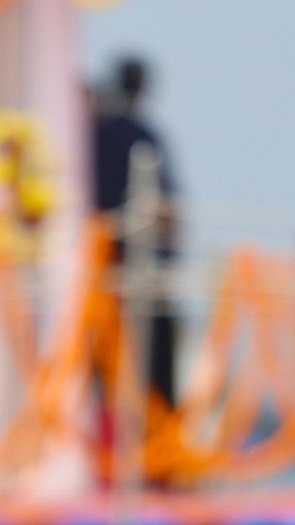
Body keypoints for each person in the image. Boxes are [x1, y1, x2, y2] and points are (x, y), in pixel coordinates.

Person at [91, 55, 182, 408]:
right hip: (133, 266)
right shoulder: (139, 135)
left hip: (106, 261)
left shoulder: (101, 133)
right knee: (152, 361)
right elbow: (165, 206)